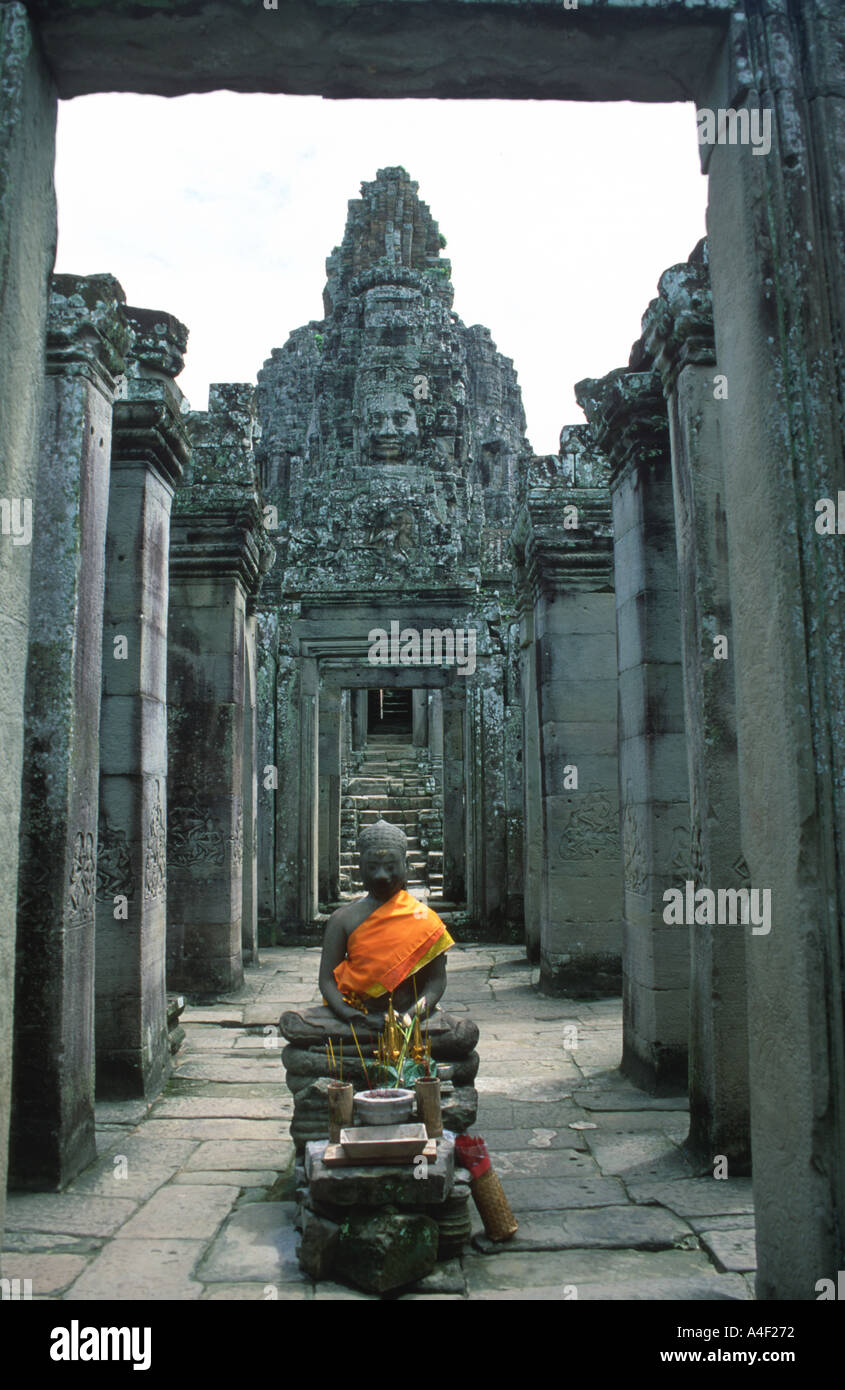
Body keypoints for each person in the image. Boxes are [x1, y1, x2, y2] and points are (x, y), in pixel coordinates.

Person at [318, 819, 453, 1024]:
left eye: (390, 866)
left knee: (463, 1034)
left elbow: (436, 981)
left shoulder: (424, 918)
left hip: (411, 1016)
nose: (381, 875)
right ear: (360, 867)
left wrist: (412, 1015)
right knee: (294, 1023)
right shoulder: (342, 919)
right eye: (372, 867)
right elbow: (327, 981)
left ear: (405, 865)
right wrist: (353, 1015)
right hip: (356, 1015)